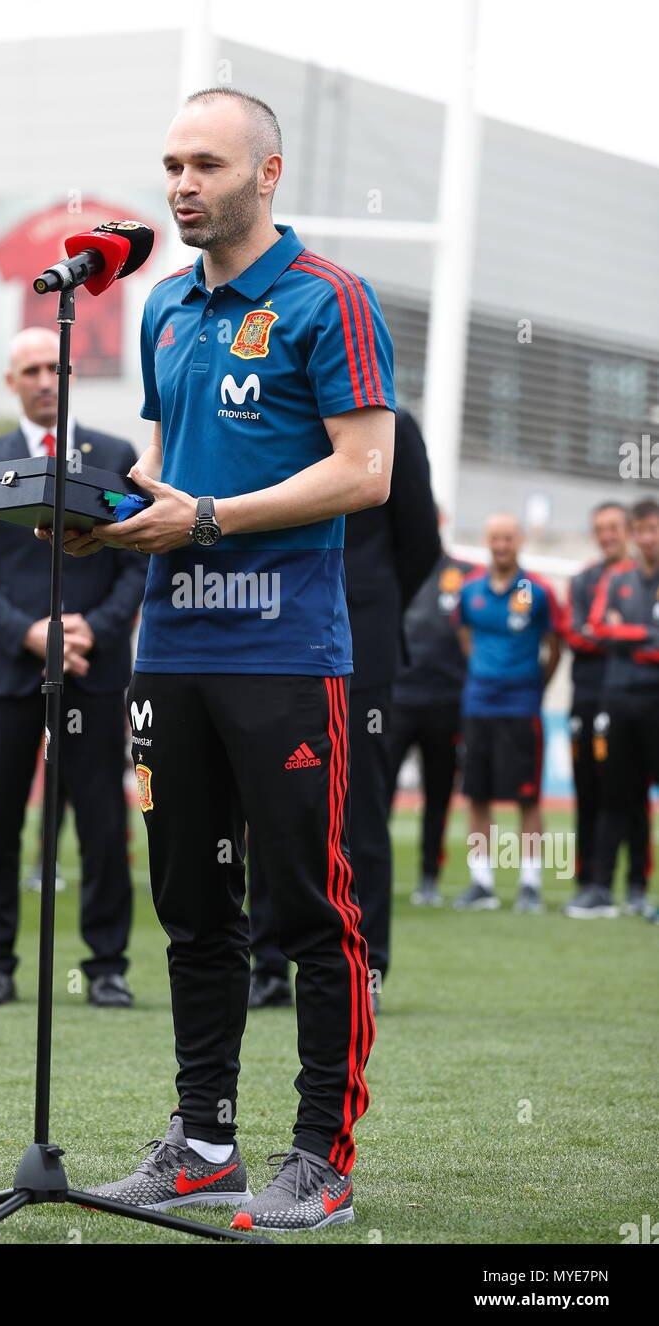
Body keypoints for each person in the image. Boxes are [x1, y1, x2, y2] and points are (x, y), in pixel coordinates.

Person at [53, 87, 395, 1234]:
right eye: (169, 164)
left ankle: (320, 1158)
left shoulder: (327, 300)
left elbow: (363, 471)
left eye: (204, 162)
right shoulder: (159, 308)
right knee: (193, 908)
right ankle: (202, 1144)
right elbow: (163, 467)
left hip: (286, 652)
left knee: (310, 911)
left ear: (268, 173)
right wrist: (101, 518)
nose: (180, 184)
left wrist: (203, 519)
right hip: (170, 653)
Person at [0, 327, 148, 1007]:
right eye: (29, 369)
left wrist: (93, 626)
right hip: (7, 673)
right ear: (11, 382)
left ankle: (107, 967)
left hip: (93, 672)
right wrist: (32, 633)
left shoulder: (116, 457)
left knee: (102, 821)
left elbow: (137, 559)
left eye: (53, 367)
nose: (43, 379)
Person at [246, 411, 439, 1011]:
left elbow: (422, 544)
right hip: (274, 629)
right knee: (269, 804)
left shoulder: (395, 428)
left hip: (362, 643)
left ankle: (367, 966)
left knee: (361, 808)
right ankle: (269, 965)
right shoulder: (273, 412)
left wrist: (368, 601)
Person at [453, 513, 562, 912]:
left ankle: (530, 884)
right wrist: (484, 672)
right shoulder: (470, 591)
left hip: (521, 707)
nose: (501, 545)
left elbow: (554, 646)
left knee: (527, 798)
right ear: (487, 540)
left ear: (519, 541)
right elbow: (465, 635)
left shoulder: (540, 591)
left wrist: (534, 685)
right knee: (477, 795)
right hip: (478, 704)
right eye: (495, 538)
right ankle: (482, 882)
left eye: (508, 538)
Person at [563, 498, 659, 918]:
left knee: (641, 800)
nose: (647, 538)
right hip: (611, 699)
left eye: (653, 529)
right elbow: (592, 630)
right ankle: (599, 885)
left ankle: (639, 886)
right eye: (642, 530)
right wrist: (644, 637)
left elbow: (615, 634)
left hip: (653, 699)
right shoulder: (608, 579)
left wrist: (628, 634)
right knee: (610, 793)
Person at [387, 526, 472, 906]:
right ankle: (371, 875)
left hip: (446, 703)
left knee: (438, 795)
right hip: (397, 700)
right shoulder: (394, 568)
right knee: (377, 794)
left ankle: (428, 877)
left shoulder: (465, 575)